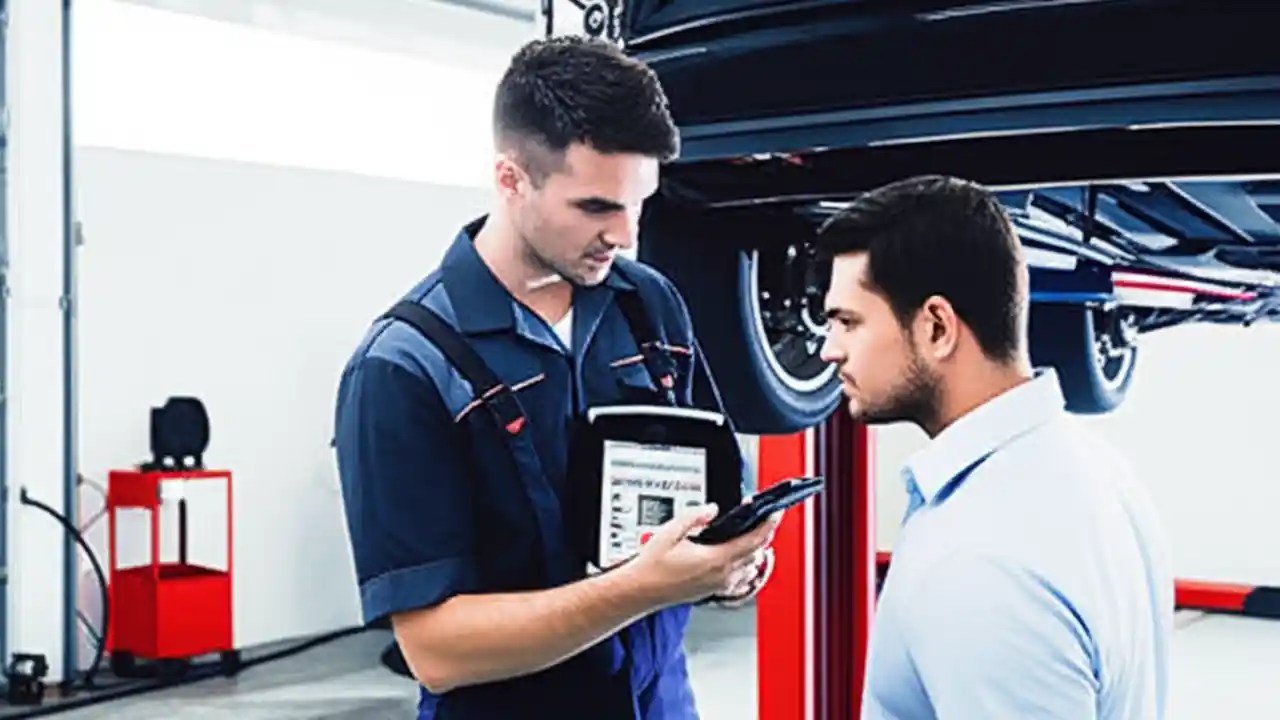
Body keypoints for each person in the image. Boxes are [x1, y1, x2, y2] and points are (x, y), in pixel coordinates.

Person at [332, 36, 777, 720]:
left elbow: (715, 485)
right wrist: (644, 587)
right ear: (511, 180)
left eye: (640, 205)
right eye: (596, 208)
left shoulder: (649, 304)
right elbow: (436, 651)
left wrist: (731, 567)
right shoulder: (405, 366)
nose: (625, 235)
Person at [814, 175, 1174, 719]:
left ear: (937, 327)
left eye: (848, 323)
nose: (827, 350)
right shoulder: (1097, 470)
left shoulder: (980, 559)